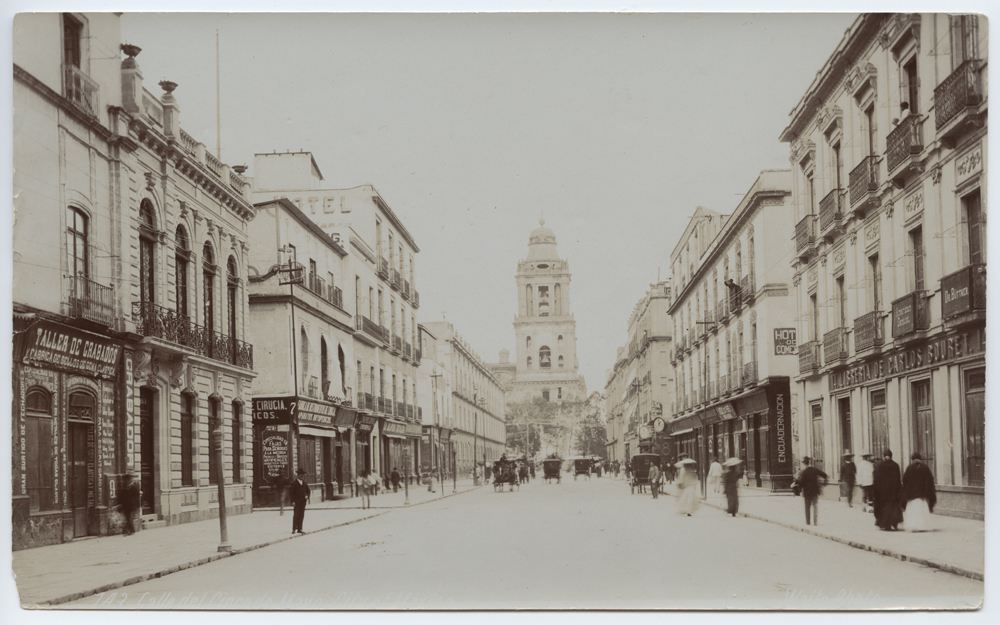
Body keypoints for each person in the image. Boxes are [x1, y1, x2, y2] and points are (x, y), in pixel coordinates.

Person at [901, 453, 937, 532]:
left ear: (912, 459)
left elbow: (905, 481)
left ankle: (913, 525)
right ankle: (922, 526)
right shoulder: (925, 468)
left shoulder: (909, 468)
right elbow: (930, 481)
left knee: (912, 510)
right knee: (922, 509)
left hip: (911, 495)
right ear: (920, 459)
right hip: (922, 494)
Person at [872, 449, 903, 531]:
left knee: (885, 509)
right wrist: (899, 491)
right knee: (894, 508)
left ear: (884, 456)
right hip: (893, 492)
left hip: (883, 493)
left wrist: (875, 492)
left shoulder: (880, 465)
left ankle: (887, 525)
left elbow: (876, 480)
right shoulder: (896, 465)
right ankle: (895, 523)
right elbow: (898, 480)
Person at [794, 457, 828, 526]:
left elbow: (802, 482)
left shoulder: (804, 472)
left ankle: (808, 522)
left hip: (807, 493)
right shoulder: (815, 470)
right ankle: (815, 522)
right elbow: (825, 475)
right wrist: (824, 484)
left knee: (807, 507)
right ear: (809, 463)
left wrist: (796, 481)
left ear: (804, 463)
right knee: (815, 507)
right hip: (815, 491)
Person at [290, 468, 310, 534]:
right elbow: (291, 493)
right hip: (296, 502)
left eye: (303, 475)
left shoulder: (304, 483)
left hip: (303, 502)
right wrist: (292, 501)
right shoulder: (294, 483)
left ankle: (300, 528)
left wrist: (307, 496)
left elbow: (308, 491)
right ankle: (293, 529)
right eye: (300, 474)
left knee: (301, 515)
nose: (302, 476)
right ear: (298, 475)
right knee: (296, 515)